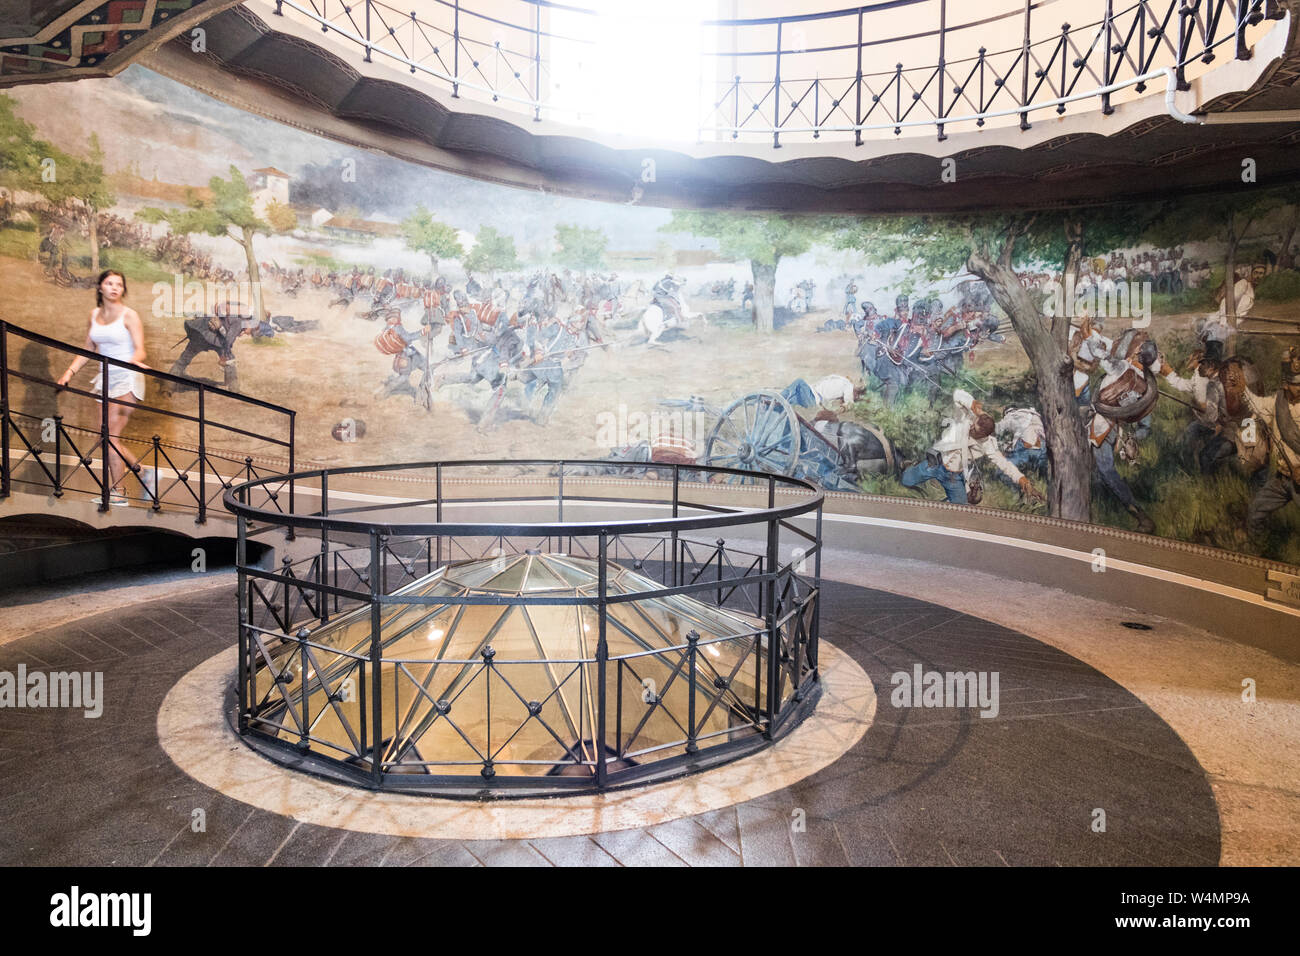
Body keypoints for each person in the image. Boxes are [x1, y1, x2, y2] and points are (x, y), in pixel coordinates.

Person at [56, 270, 152, 506]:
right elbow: (88, 349)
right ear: (100, 287)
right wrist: (69, 373)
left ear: (123, 289)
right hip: (105, 378)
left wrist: (131, 361)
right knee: (106, 437)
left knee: (110, 437)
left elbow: (140, 349)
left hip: (127, 377)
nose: (114, 287)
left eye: (119, 284)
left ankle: (120, 491)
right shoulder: (94, 315)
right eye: (109, 283)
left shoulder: (130, 316)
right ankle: (143, 474)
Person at [901, 389, 1043, 504]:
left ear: (983, 435)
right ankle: (911, 466)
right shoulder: (967, 418)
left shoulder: (988, 445)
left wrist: (1023, 480)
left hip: (953, 476)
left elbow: (1005, 465)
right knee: (905, 480)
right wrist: (973, 404)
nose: (971, 429)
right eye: (973, 426)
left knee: (961, 508)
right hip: (935, 463)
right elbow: (957, 394)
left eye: (975, 431)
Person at [1242, 348, 1300, 540]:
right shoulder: (1278, 401)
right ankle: (1258, 548)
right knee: (1255, 512)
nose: (1299, 387)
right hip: (1283, 478)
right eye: (1295, 383)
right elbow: (1257, 405)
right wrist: (1242, 388)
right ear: (1285, 385)